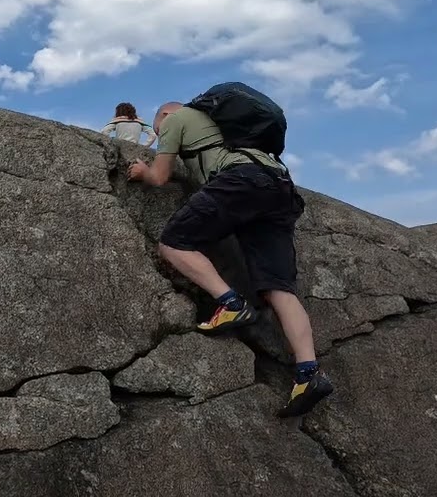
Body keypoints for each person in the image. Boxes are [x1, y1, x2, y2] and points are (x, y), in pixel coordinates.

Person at [125, 83, 333, 418]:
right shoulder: (226, 131)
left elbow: (160, 176)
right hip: (279, 189)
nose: (160, 134)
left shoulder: (177, 117)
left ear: (164, 115)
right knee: (277, 287)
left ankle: (231, 304)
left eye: (157, 128)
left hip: (240, 181)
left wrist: (142, 172)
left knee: (174, 242)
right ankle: (308, 374)